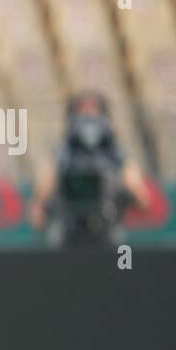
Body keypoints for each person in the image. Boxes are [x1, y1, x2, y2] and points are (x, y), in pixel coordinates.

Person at [29, 91, 151, 247]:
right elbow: (37, 213)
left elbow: (143, 201)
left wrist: (124, 190)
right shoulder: (60, 157)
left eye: (94, 111)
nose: (88, 118)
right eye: (83, 111)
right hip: (68, 232)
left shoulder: (117, 157)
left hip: (107, 231)